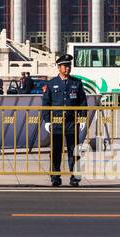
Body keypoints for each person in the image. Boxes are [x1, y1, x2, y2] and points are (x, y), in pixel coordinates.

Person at [41, 54, 87, 187]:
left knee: (74, 150)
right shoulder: (51, 84)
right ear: (59, 67)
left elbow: (82, 102)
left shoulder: (76, 83)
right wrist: (47, 120)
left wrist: (83, 117)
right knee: (56, 150)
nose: (67, 68)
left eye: (69, 66)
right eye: (65, 66)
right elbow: (46, 103)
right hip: (56, 121)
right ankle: (55, 176)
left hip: (72, 122)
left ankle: (75, 177)